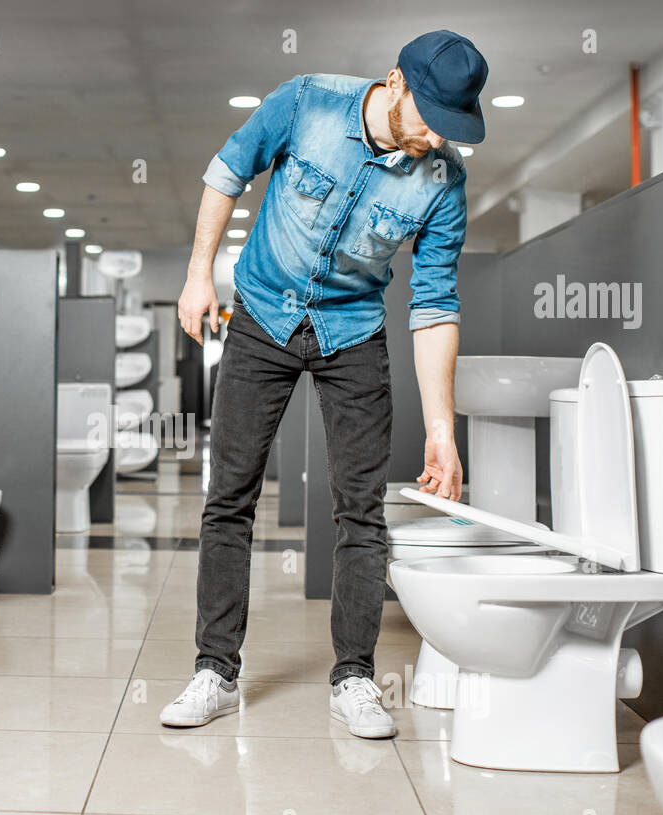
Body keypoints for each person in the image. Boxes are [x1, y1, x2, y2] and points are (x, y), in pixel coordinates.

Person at [160, 30, 488, 737]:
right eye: (428, 116)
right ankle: (214, 669)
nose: (435, 137)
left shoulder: (443, 184)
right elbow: (227, 170)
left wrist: (441, 429)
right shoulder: (306, 103)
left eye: (450, 127)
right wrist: (197, 276)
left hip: (354, 333)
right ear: (396, 82)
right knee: (230, 498)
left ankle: (356, 678)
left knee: (361, 510)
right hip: (260, 317)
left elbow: (433, 306)